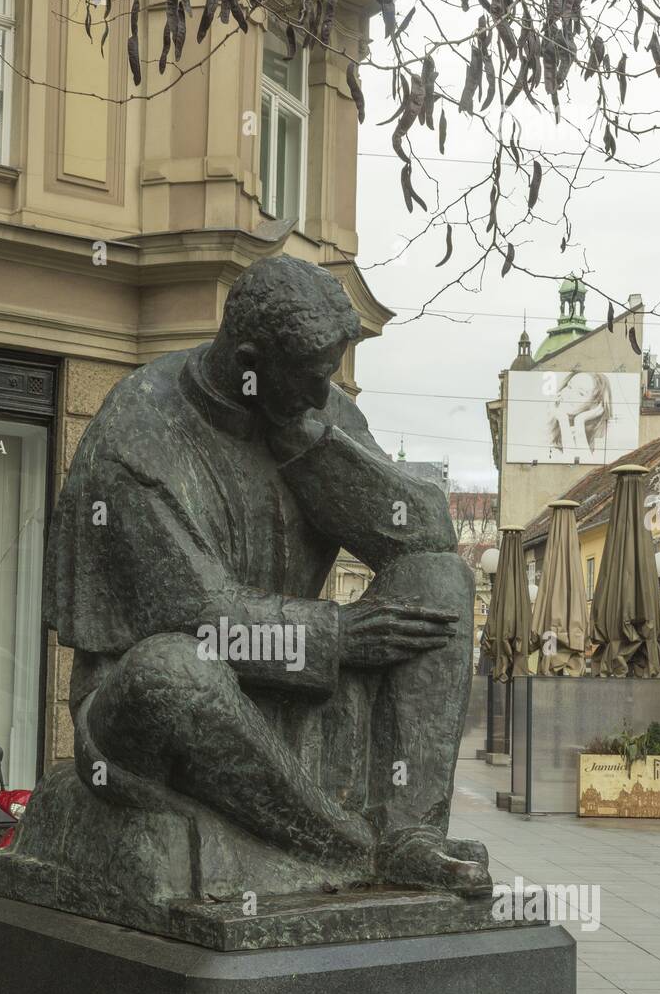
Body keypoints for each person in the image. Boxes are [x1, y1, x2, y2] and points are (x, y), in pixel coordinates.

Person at [44, 256, 489, 895]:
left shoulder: (310, 407)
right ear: (250, 360)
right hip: (153, 709)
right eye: (310, 378)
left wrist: (316, 450)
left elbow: (424, 535)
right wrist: (338, 635)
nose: (322, 393)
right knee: (172, 672)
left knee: (439, 583)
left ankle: (409, 835)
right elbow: (194, 615)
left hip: (292, 700)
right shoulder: (137, 432)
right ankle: (348, 849)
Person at [549, 371, 613, 462]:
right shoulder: (549, 432)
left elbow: (580, 463)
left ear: (595, 406)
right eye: (569, 386)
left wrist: (579, 421)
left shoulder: (604, 439)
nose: (568, 395)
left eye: (580, 393)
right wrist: (563, 419)